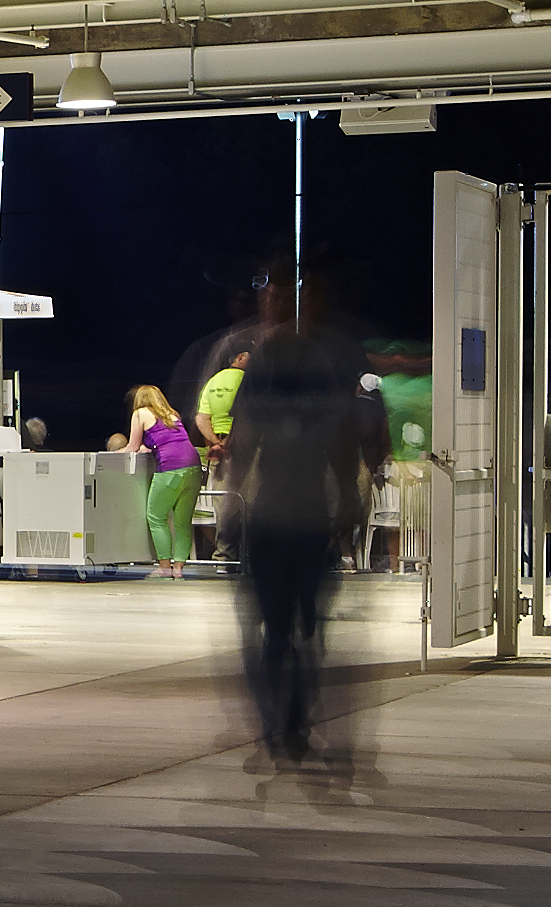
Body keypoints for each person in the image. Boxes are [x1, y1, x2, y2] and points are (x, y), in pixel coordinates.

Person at [217, 301, 390, 774]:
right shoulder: (326, 401)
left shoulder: (263, 398)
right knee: (307, 626)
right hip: (310, 522)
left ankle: (280, 720)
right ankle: (292, 717)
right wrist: (349, 510)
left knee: (275, 630)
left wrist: (232, 507)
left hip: (274, 522)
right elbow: (341, 449)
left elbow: (242, 449)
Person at [120, 381, 198, 572]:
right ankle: (179, 567)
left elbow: (132, 447)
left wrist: (113, 453)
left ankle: (164, 566)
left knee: (156, 517)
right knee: (182, 522)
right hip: (194, 468)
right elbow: (166, 441)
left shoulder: (140, 413)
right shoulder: (173, 415)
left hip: (170, 469)